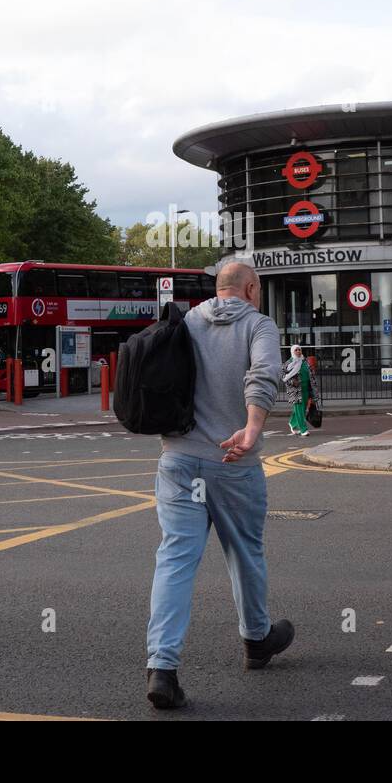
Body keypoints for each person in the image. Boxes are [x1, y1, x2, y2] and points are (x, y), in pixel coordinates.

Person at [145, 261, 293, 709]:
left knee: (174, 558)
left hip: (178, 459)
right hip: (233, 462)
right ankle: (256, 640)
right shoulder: (259, 325)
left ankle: (162, 668)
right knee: (244, 552)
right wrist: (251, 428)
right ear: (250, 289)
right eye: (259, 291)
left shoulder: (186, 321)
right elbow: (264, 374)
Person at [282, 344, 318, 436]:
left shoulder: (304, 361)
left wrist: (313, 387)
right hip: (296, 390)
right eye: (296, 350)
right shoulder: (289, 363)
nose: (298, 351)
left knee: (301, 408)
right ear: (292, 352)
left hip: (306, 388)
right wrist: (292, 382)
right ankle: (303, 429)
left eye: (299, 350)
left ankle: (292, 423)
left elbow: (310, 374)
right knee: (299, 409)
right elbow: (283, 376)